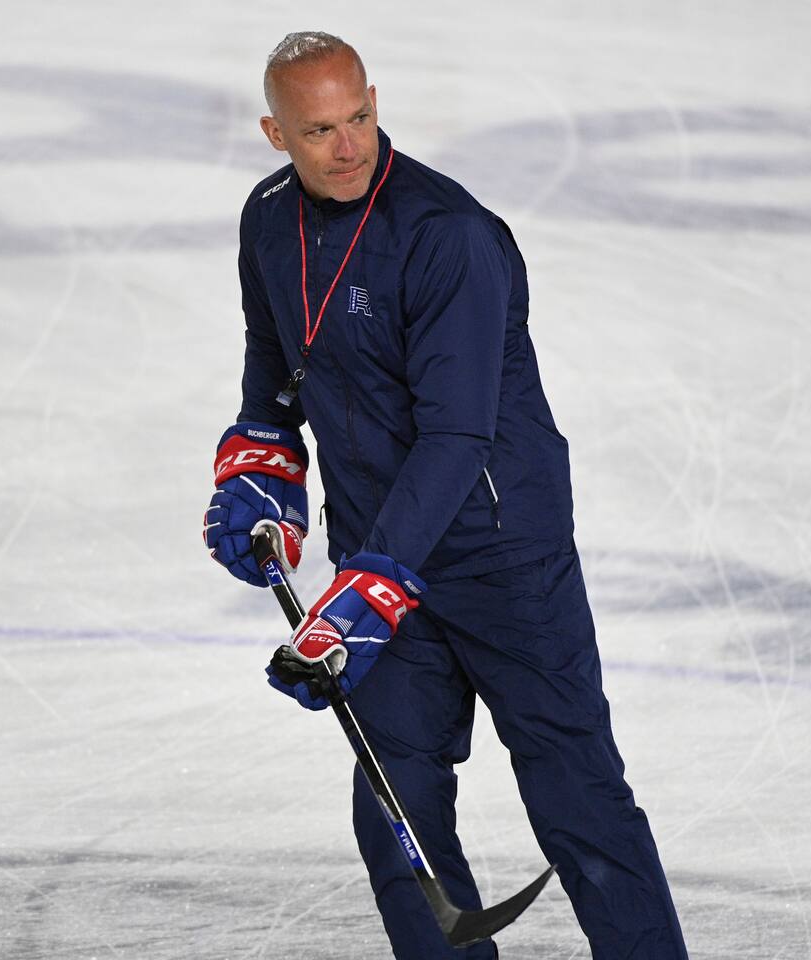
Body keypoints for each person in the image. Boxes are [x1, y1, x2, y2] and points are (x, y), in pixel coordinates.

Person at [203, 31, 689, 960]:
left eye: (359, 118)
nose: (348, 146)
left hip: (500, 556)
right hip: (381, 549)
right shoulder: (267, 219)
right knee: (396, 806)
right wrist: (261, 467)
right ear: (275, 134)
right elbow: (275, 371)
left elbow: (458, 436)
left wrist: (371, 588)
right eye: (320, 131)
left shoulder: (446, 235)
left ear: (375, 101)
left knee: (578, 799)